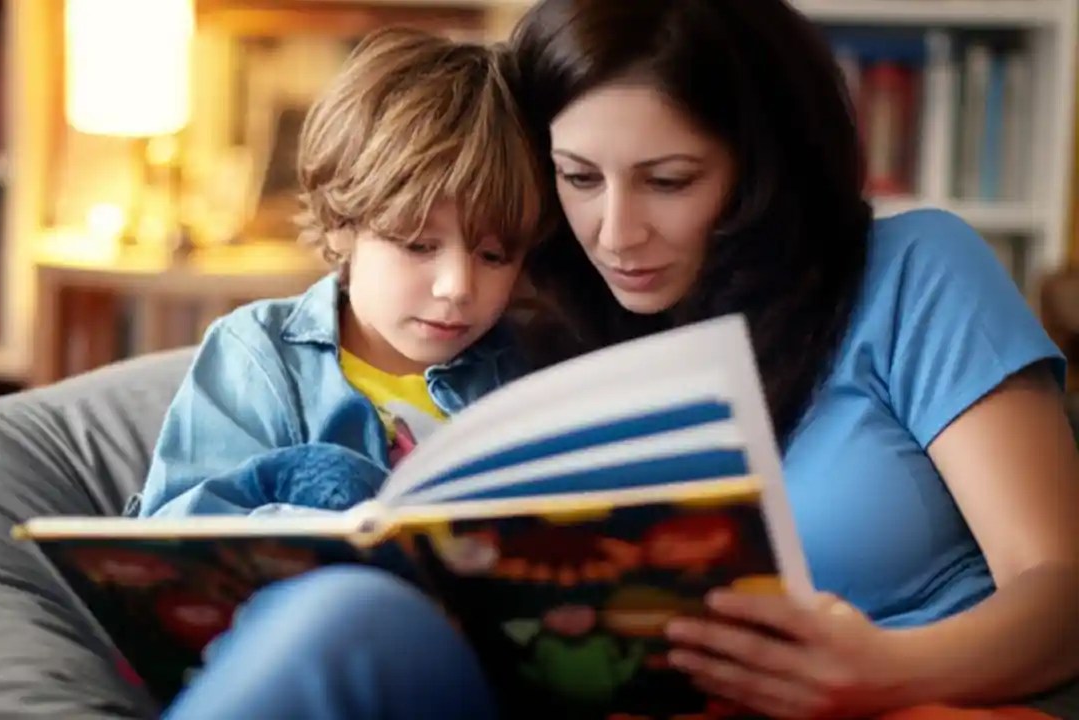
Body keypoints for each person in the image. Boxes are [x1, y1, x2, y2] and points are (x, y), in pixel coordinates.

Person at [162, 1, 1079, 718]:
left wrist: (881, 672)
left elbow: (1064, 587)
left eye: (670, 181)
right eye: (578, 179)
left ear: (758, 165)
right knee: (344, 623)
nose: (616, 233)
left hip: (921, 697)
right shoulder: (538, 324)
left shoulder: (913, 269)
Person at [135, 27, 548, 520]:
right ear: (340, 228)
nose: (457, 287)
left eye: (494, 256)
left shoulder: (525, 367)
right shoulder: (260, 357)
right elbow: (179, 530)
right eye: (418, 244)